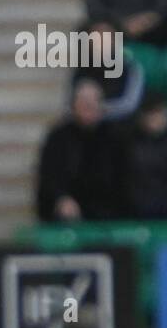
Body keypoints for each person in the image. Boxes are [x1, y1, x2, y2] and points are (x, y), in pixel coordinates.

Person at [35, 80, 125, 222]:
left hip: (106, 210)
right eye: (83, 102)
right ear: (74, 105)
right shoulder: (58, 137)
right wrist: (61, 198)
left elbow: (121, 178)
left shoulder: (114, 137)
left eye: (92, 102)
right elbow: (49, 175)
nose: (88, 107)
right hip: (68, 211)